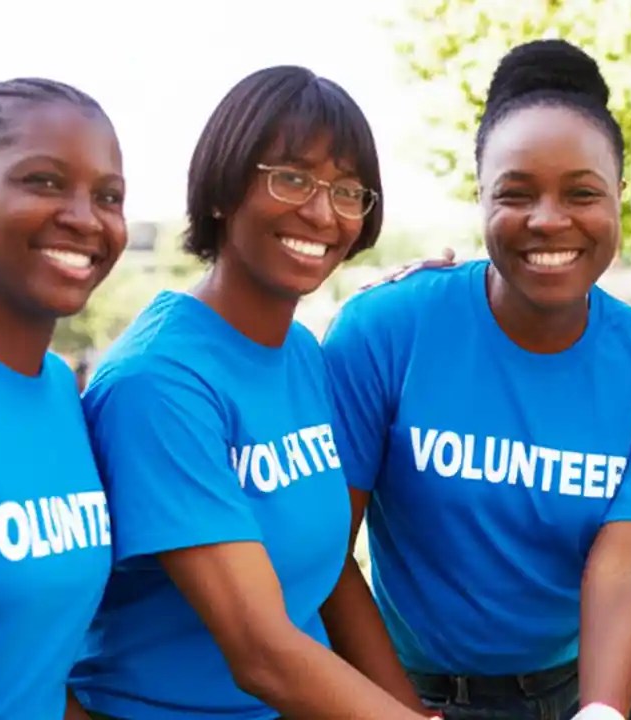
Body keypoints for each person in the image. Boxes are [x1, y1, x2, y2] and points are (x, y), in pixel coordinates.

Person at [321, 40, 631, 720]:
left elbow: (626, 558)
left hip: (603, 688)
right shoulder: (385, 331)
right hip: (424, 694)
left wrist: (602, 713)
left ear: (619, 195)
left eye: (582, 193)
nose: (549, 220)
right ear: (480, 196)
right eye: (516, 193)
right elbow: (325, 553)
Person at [68, 66, 436, 720]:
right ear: (222, 190)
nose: (322, 213)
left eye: (348, 190)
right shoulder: (158, 384)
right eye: (291, 178)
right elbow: (261, 652)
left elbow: (330, 575)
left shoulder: (300, 354)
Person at [0, 78, 123, 718]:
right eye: (44, 181)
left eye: (108, 196)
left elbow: (30, 670)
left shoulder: (61, 389)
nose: (85, 218)